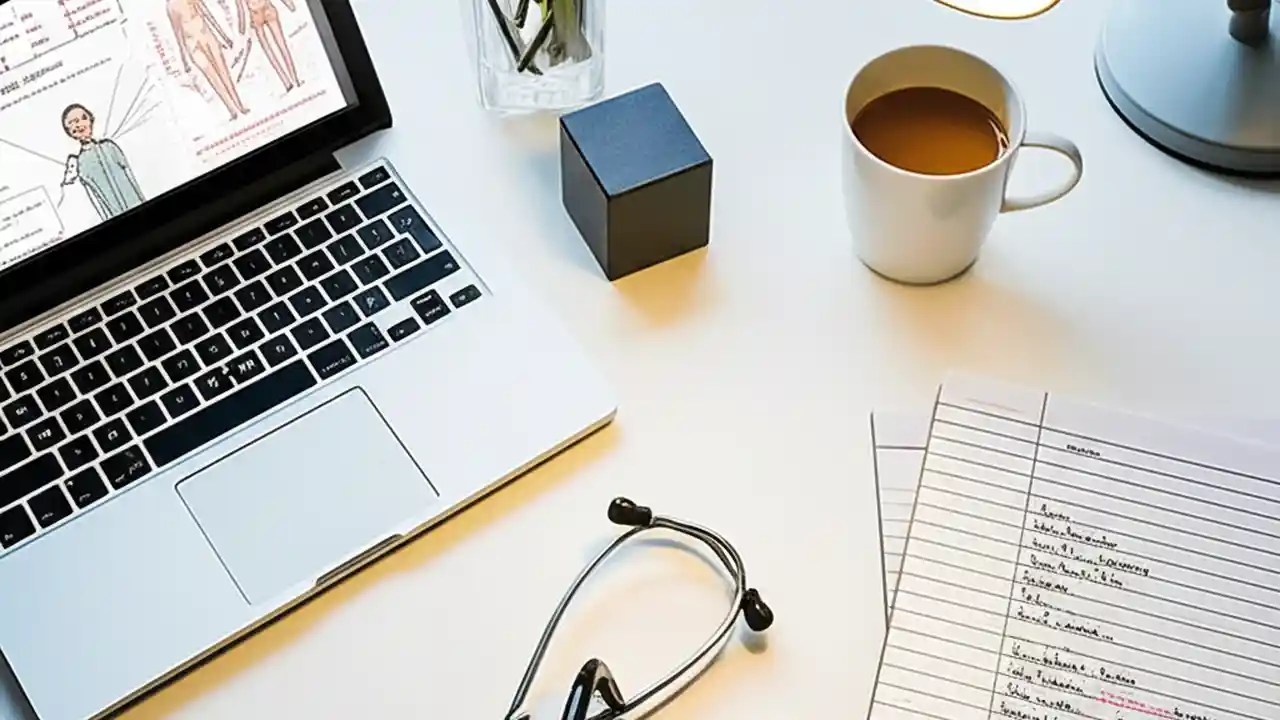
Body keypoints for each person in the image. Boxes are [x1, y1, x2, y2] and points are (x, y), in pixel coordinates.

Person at [60, 104, 145, 221]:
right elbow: (94, 198)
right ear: (69, 132)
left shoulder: (109, 146)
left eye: (83, 118)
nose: (79, 125)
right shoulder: (80, 163)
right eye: (72, 123)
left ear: (91, 119)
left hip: (137, 206)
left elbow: (130, 176)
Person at [168, 0, 250, 120]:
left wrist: (223, 36)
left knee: (223, 71)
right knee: (213, 78)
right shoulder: (171, 7)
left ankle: (239, 104)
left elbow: (206, 13)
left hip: (206, 35)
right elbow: (178, 33)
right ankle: (231, 109)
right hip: (193, 45)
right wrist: (184, 59)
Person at [237, 0, 300, 92]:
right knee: (282, 45)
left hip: (255, 14)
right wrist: (290, 5)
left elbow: (241, 9)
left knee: (268, 50)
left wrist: (242, 29)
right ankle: (295, 79)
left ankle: (286, 82)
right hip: (267, 7)